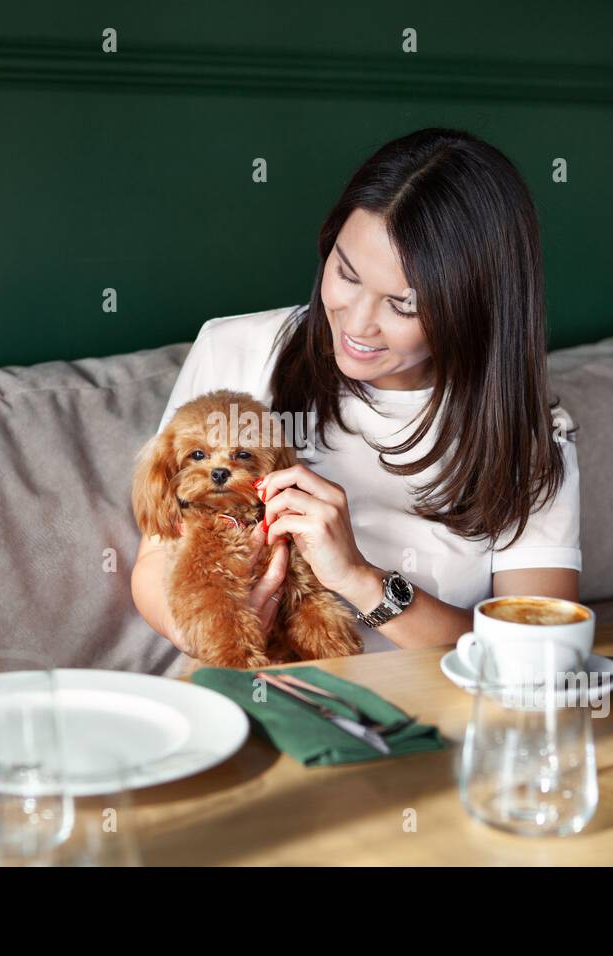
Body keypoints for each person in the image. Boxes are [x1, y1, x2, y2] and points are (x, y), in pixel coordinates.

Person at [131, 127, 580, 658]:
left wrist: (360, 579)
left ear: (473, 311)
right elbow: (156, 561)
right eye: (345, 273)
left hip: (428, 715)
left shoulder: (526, 436)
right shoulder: (237, 349)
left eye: (403, 305)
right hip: (257, 693)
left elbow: (541, 649)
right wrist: (218, 638)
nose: (358, 324)